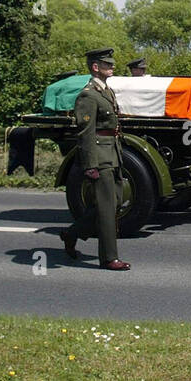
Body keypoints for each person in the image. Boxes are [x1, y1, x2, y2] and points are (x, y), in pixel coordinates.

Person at [60, 48, 130, 270]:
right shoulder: (88, 95)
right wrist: (90, 164)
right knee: (108, 207)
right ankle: (109, 258)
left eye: (112, 63)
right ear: (95, 67)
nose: (112, 66)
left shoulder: (105, 91)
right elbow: (86, 133)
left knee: (116, 201)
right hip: (100, 155)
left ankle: (72, 233)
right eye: (107, 64)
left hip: (112, 151)